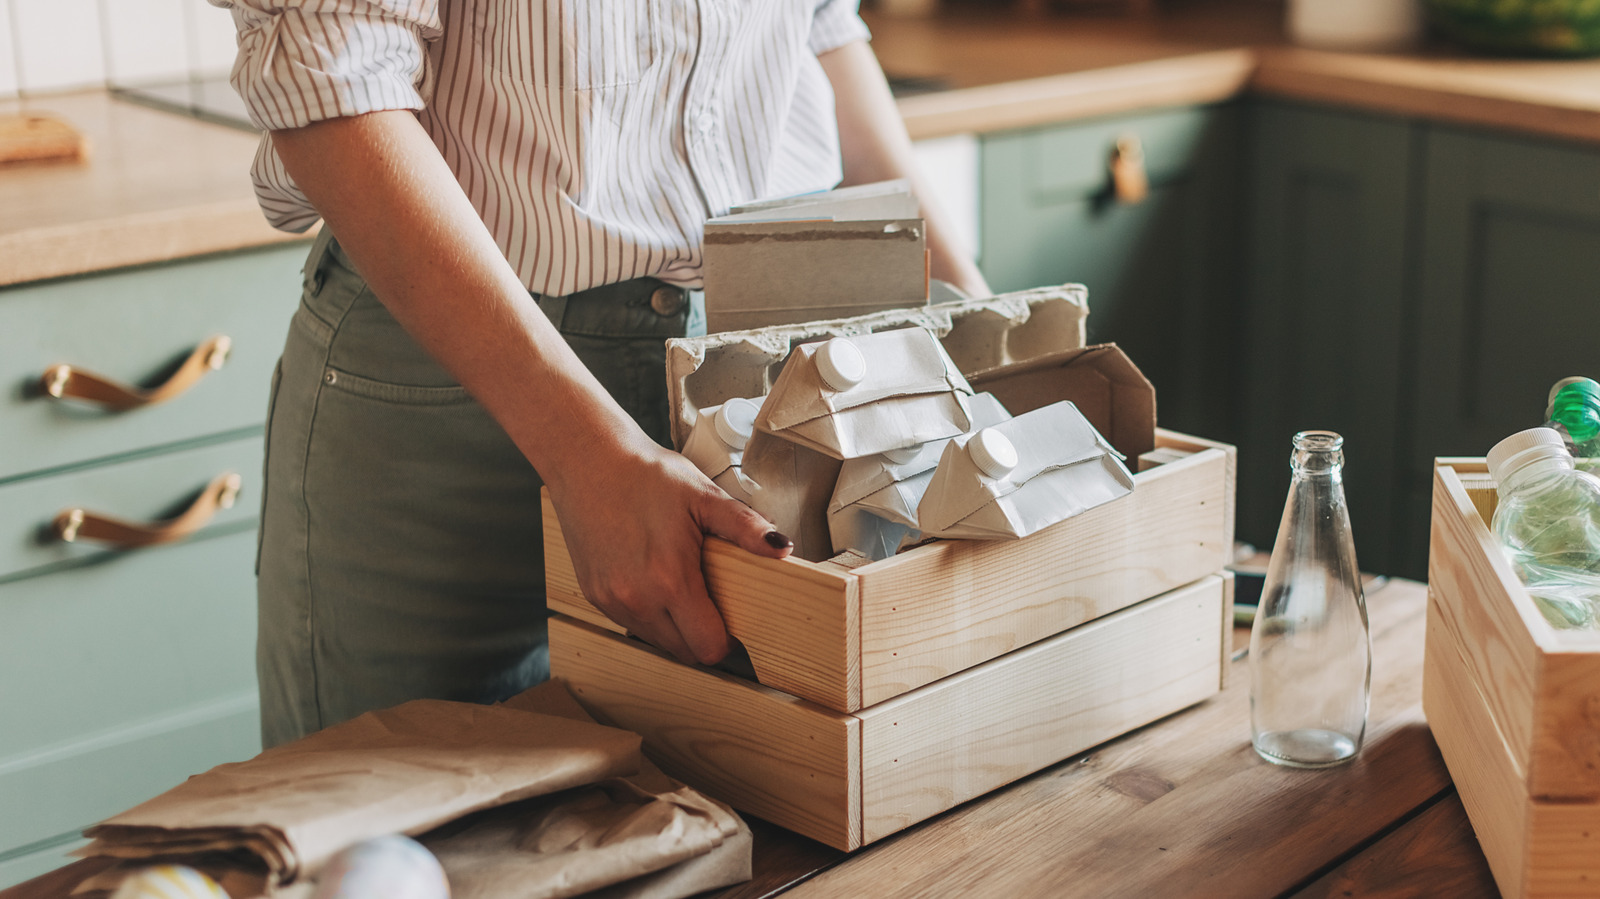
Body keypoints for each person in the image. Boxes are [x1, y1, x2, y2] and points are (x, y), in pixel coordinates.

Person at [212, 0, 990, 747]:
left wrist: (976, 319)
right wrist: (587, 452)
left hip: (760, 368)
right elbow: (331, 75)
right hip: (456, 392)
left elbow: (817, 22)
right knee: (403, 854)